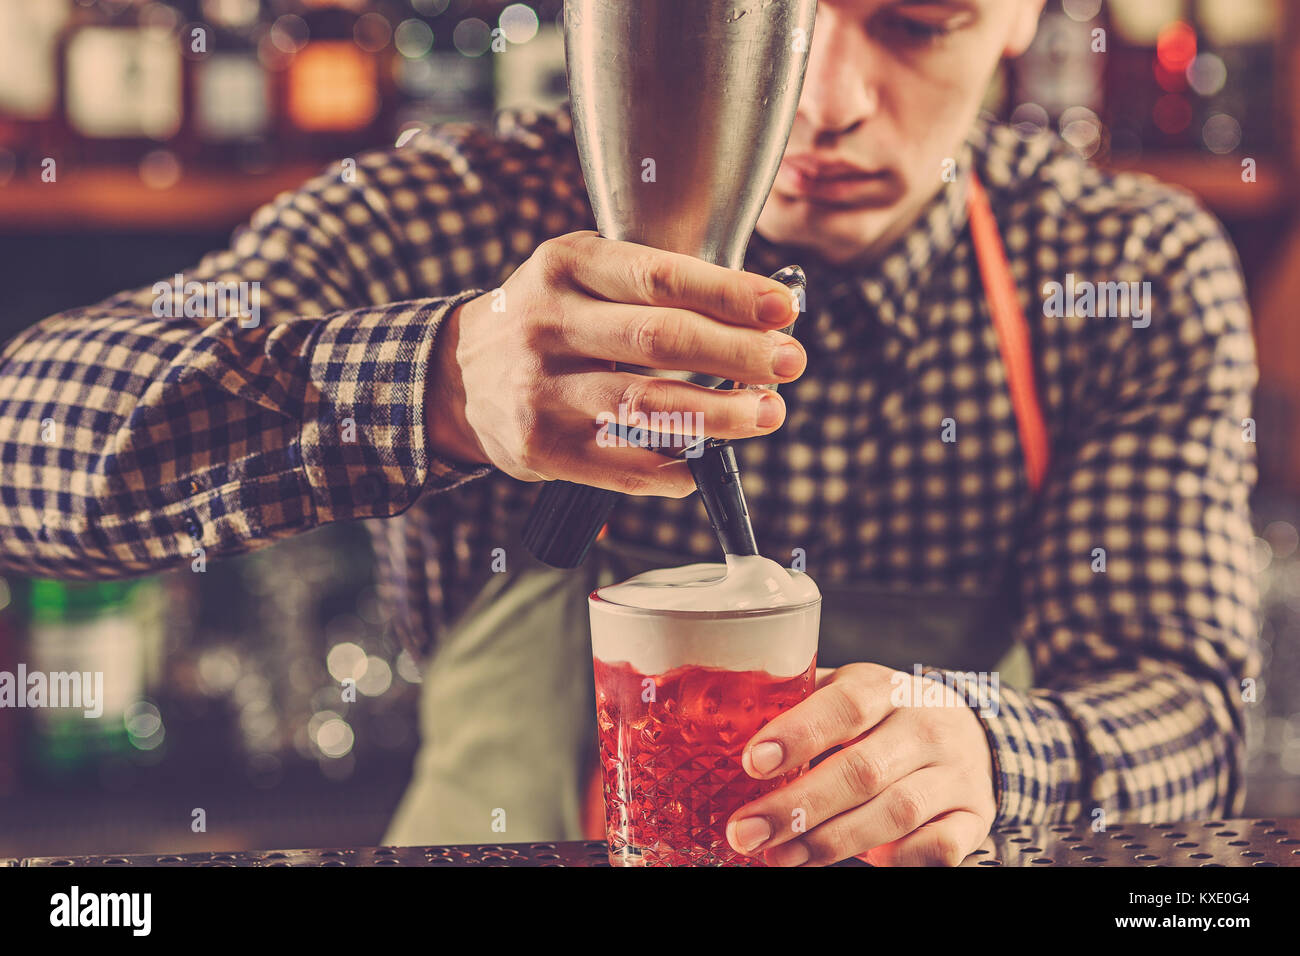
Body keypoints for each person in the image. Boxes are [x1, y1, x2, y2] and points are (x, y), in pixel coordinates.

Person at [0, 0, 1259, 866]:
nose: (829, 103)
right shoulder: (463, 209)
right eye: (765, 21)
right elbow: (28, 446)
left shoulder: (1118, 267)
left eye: (918, 23)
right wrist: (443, 379)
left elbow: (1189, 715)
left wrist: (992, 750)